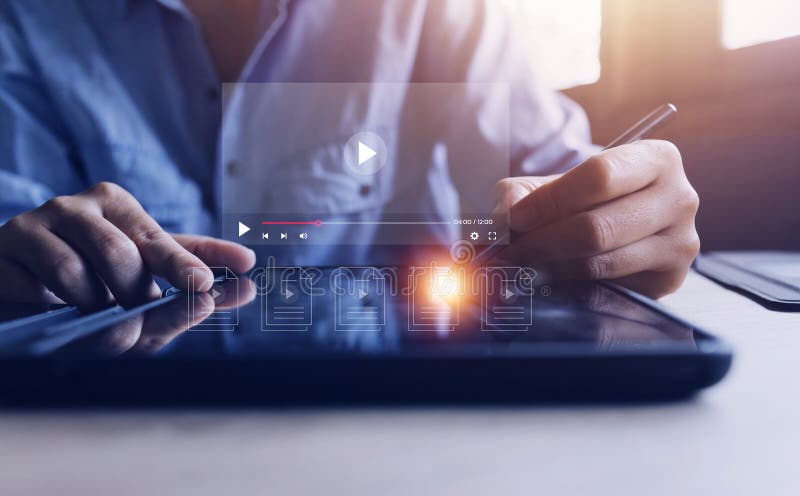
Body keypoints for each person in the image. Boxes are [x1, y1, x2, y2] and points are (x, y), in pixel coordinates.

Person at [0, 0, 699, 311]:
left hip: (412, 430)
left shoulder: (435, 10)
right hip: (111, 433)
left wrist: (622, 216)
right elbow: (17, 238)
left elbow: (564, 185)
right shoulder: (26, 22)